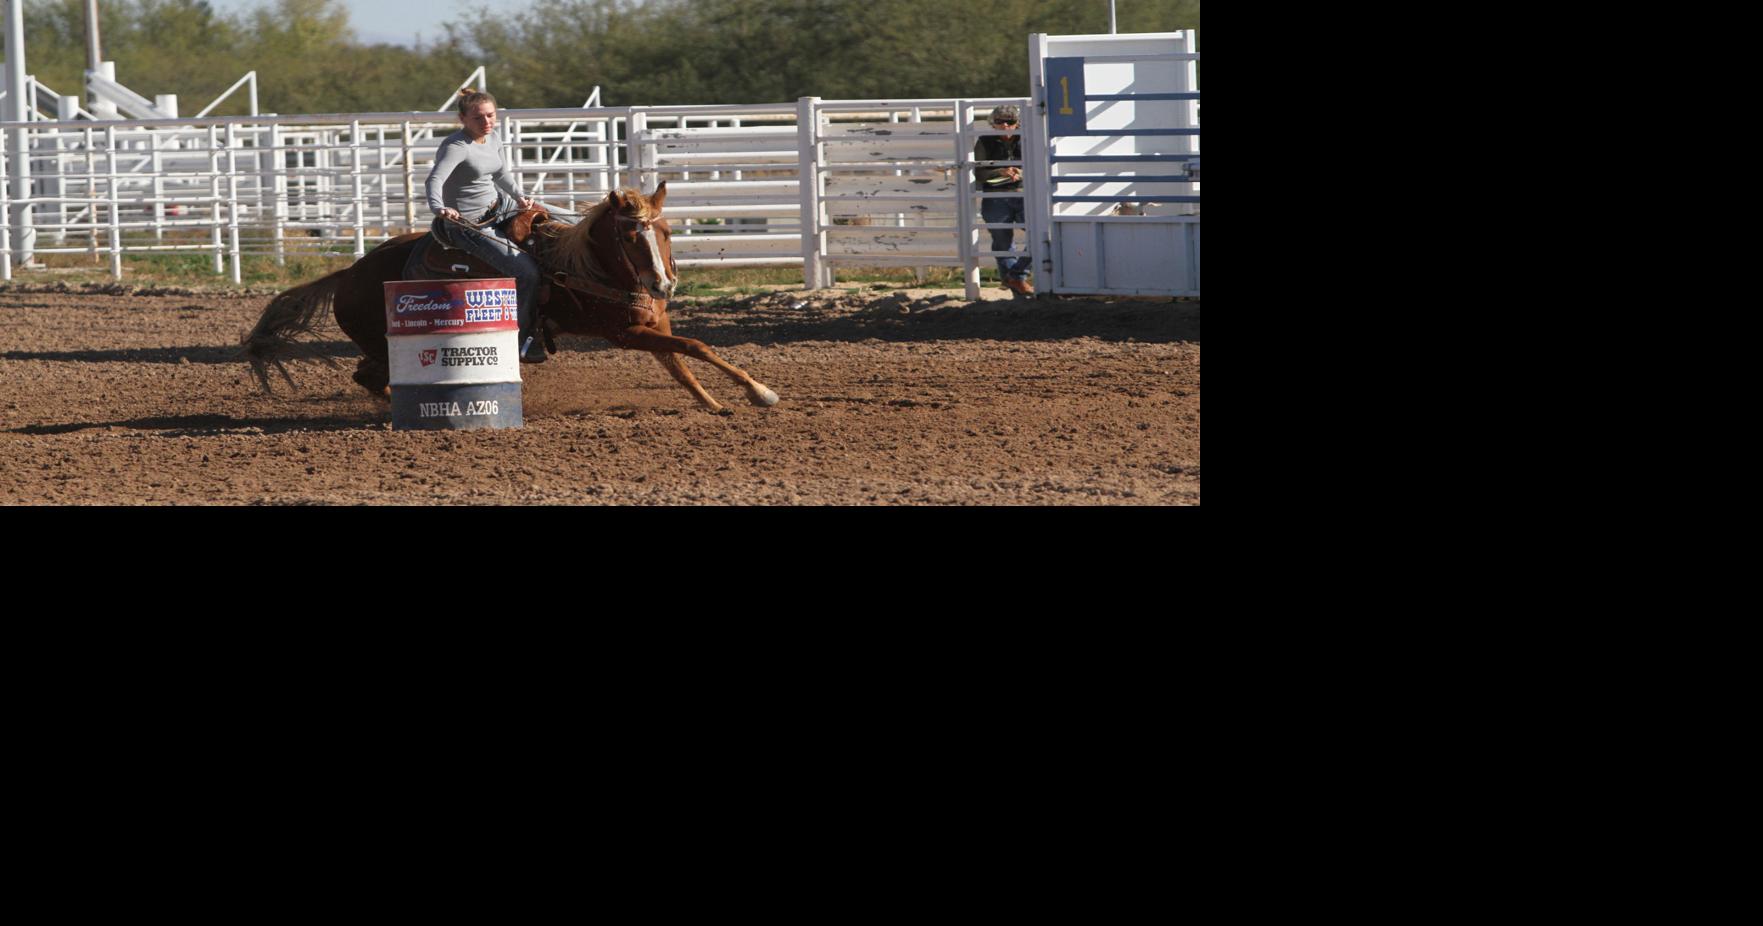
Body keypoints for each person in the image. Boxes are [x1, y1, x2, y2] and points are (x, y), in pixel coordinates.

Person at [426, 89, 546, 362]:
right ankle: (522, 340)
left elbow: (501, 172)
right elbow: (434, 180)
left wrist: (519, 196)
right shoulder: (457, 146)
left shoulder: (493, 137)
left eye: (490, 115)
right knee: (526, 273)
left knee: (556, 218)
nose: (486, 122)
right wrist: (439, 208)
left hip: (500, 205)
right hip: (469, 224)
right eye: (478, 118)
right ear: (463, 119)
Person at [974, 105, 1034, 299]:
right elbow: (978, 171)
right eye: (1000, 121)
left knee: (1039, 235)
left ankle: (1015, 276)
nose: (1005, 125)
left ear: (1017, 123)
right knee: (1002, 241)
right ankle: (1018, 287)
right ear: (994, 123)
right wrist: (999, 171)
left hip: (1024, 193)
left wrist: (1020, 172)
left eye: (1010, 121)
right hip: (996, 195)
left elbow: (1037, 165)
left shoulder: (1027, 138)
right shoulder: (985, 141)